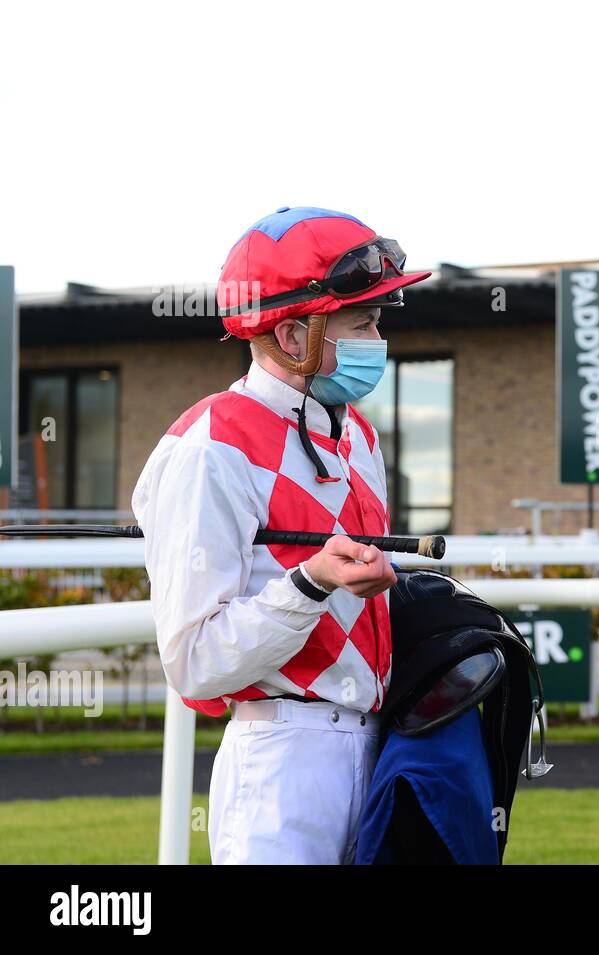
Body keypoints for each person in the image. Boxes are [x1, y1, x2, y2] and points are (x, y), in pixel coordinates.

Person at [131, 207, 431, 864]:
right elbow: (197, 664)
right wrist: (309, 581)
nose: (380, 338)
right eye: (364, 323)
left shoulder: (359, 434)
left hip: (379, 747)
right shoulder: (208, 449)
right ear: (295, 335)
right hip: (281, 769)